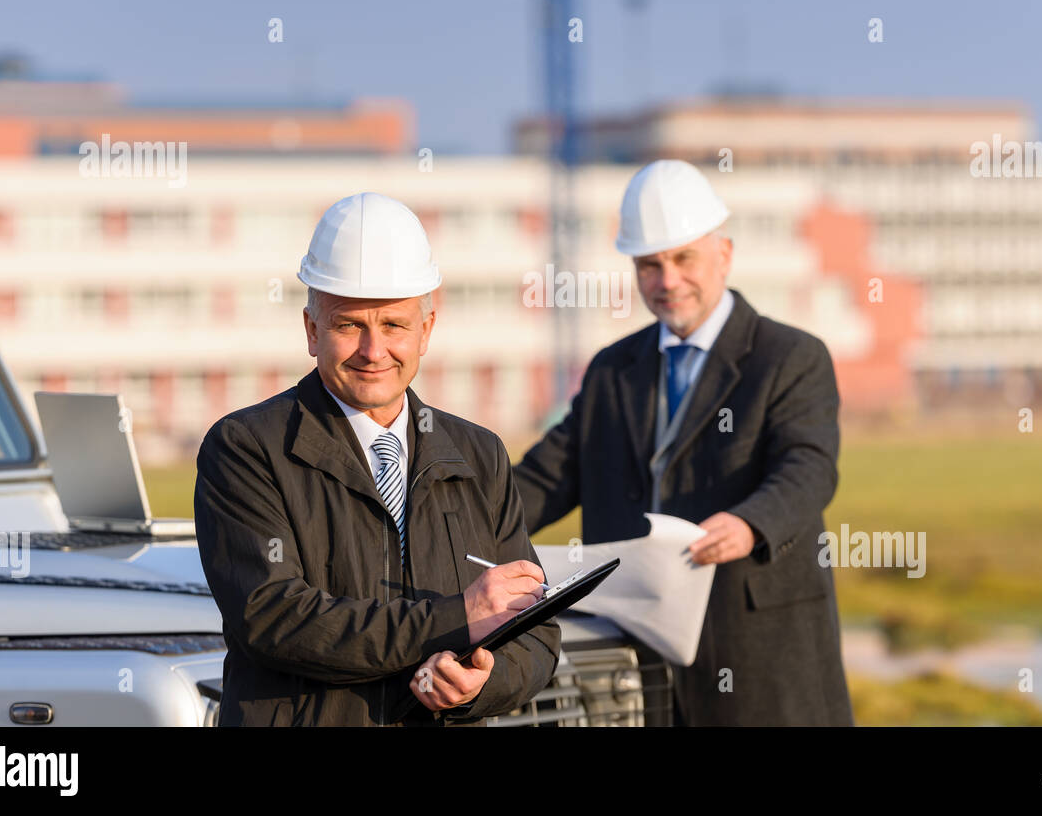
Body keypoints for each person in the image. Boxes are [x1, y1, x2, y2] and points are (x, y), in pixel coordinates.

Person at [194, 192, 559, 726]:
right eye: (349, 325)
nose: (373, 350)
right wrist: (457, 619)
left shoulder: (481, 456)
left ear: (426, 331)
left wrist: (480, 682)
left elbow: (537, 633)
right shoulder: (246, 449)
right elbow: (274, 619)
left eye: (393, 325)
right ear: (312, 331)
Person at [514, 160, 853, 726]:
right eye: (650, 264)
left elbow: (809, 467)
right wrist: (451, 535)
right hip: (640, 657)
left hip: (762, 658)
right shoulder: (612, 371)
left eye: (683, 258)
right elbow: (547, 478)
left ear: (724, 253)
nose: (667, 280)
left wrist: (750, 523)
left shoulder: (791, 358)